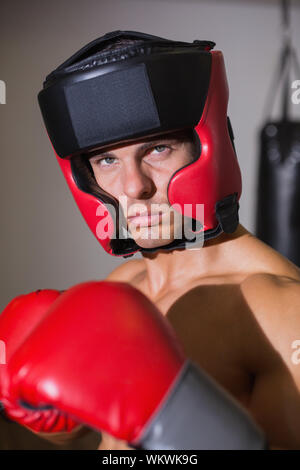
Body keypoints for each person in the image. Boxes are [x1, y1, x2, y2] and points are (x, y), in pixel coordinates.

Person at [1, 30, 300, 450]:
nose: (133, 187)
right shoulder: (120, 287)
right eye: (107, 159)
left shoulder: (280, 309)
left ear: (206, 145)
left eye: (157, 149)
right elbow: (84, 435)